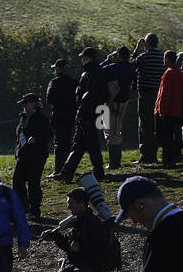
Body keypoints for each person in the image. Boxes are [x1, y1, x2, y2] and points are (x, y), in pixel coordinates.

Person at [57, 48, 107, 182]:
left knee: (90, 143)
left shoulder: (91, 72)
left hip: (88, 113)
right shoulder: (97, 71)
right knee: (81, 143)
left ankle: (97, 171)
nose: (82, 59)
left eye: (84, 57)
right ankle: (67, 171)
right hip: (96, 111)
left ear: (88, 58)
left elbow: (89, 94)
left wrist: (80, 111)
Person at [13, 92, 53, 220]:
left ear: (35, 104)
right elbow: (19, 136)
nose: (24, 106)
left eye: (27, 103)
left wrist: (36, 139)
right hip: (23, 155)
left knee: (33, 183)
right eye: (23, 104)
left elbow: (49, 135)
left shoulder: (42, 118)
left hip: (37, 155)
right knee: (17, 181)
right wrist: (17, 151)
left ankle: (35, 210)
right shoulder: (22, 117)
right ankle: (23, 207)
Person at [131, 35, 166, 164]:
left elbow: (131, 64)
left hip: (145, 93)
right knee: (155, 124)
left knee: (145, 124)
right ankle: (154, 153)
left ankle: (145, 155)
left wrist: (137, 49)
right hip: (158, 94)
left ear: (146, 44)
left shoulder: (145, 56)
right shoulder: (162, 56)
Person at [101, 46, 135, 169]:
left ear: (118, 55)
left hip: (113, 102)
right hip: (124, 102)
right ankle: (116, 161)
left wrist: (108, 60)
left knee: (111, 132)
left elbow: (98, 71)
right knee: (117, 129)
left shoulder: (114, 67)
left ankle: (114, 163)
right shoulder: (131, 67)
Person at [46, 59, 78, 176]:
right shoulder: (74, 82)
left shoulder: (54, 82)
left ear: (59, 69)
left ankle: (58, 170)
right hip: (71, 116)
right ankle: (68, 167)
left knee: (59, 143)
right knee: (68, 142)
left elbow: (49, 99)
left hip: (58, 116)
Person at [156, 50, 183, 168]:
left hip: (167, 109)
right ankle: (174, 155)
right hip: (176, 108)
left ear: (168, 59)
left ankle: (168, 158)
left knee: (164, 135)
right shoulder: (179, 72)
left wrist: (161, 109)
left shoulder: (169, 73)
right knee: (173, 133)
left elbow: (165, 93)